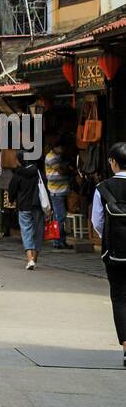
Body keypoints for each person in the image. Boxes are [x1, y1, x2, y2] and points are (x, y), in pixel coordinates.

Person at [90, 142, 126, 364]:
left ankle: (125, 347)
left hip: (114, 253)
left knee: (120, 298)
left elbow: (97, 222)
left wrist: (111, 238)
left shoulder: (103, 188)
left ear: (113, 162)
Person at [10, 151, 47, 270]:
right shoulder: (39, 173)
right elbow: (46, 189)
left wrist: (12, 200)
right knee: (38, 232)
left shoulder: (18, 174)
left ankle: (30, 259)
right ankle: (34, 259)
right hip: (38, 206)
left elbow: (12, 191)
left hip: (23, 207)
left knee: (26, 232)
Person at [44, 137, 73, 249]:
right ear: (55, 147)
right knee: (60, 216)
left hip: (61, 190)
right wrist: (69, 170)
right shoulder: (52, 157)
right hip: (56, 191)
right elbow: (61, 170)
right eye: (60, 147)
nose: (62, 149)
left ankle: (61, 240)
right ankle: (57, 241)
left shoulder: (58, 157)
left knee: (60, 216)